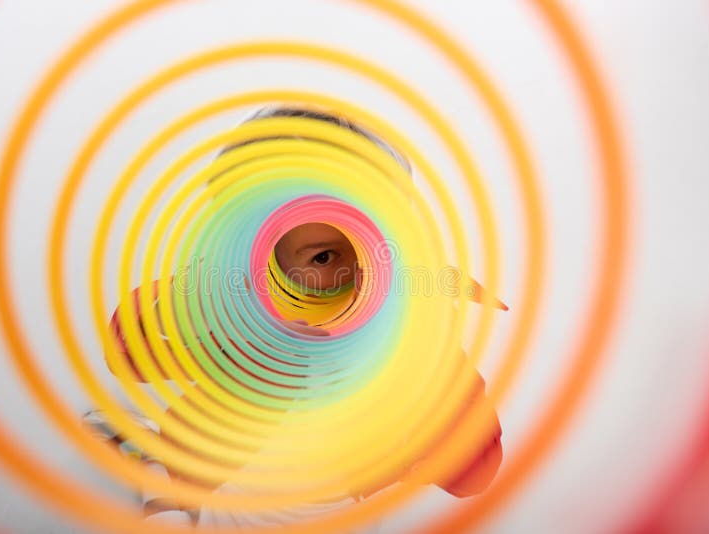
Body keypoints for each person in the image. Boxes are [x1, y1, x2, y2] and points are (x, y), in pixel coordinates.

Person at [101, 106, 504, 527]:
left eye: (375, 238)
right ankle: (145, 453)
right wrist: (245, 355)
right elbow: (126, 351)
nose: (361, 271)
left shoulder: (406, 331)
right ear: (256, 250)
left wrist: (426, 365)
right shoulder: (230, 303)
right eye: (325, 255)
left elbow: (477, 471)